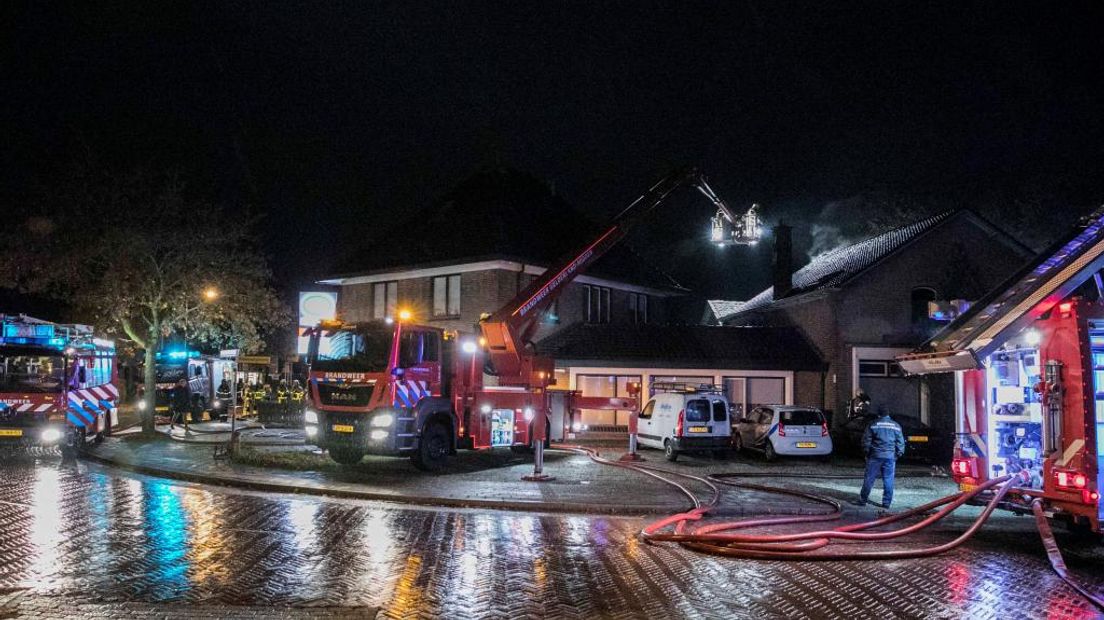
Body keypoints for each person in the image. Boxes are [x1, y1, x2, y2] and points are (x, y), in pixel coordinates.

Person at [856, 406, 905, 509]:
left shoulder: (873, 424)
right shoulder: (896, 426)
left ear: (878, 414)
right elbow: (901, 443)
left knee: (869, 478)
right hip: (890, 457)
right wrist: (897, 455)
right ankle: (886, 503)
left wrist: (867, 453)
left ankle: (863, 500)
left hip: (875, 456)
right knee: (888, 479)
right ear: (888, 414)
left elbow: (866, 441)